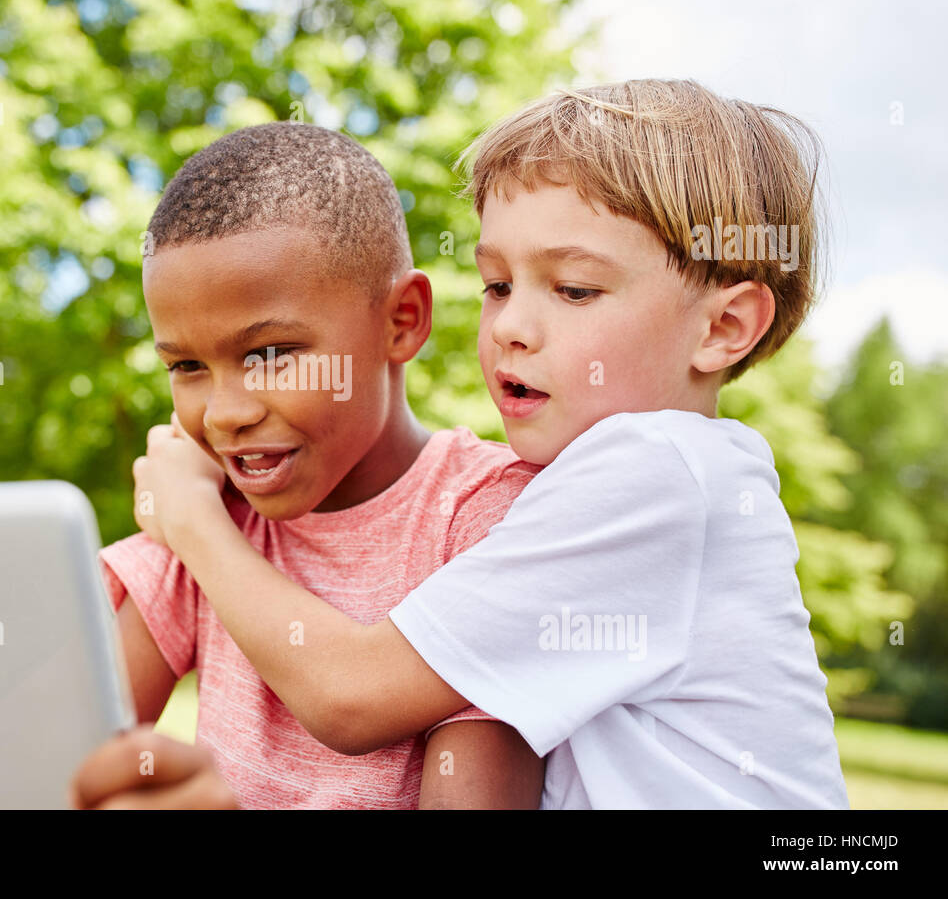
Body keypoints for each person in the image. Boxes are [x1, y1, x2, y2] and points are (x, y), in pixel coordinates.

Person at [84, 79, 850, 809]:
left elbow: (352, 697)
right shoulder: (599, 486)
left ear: (722, 328)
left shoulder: (654, 474)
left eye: (574, 290)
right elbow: (53, 759)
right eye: (497, 285)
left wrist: (190, 521)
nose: (511, 326)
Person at [88, 120, 546, 809]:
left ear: (402, 320)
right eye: (186, 365)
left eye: (269, 354)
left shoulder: (486, 516)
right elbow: (58, 763)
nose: (223, 414)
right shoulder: (208, 522)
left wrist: (193, 526)